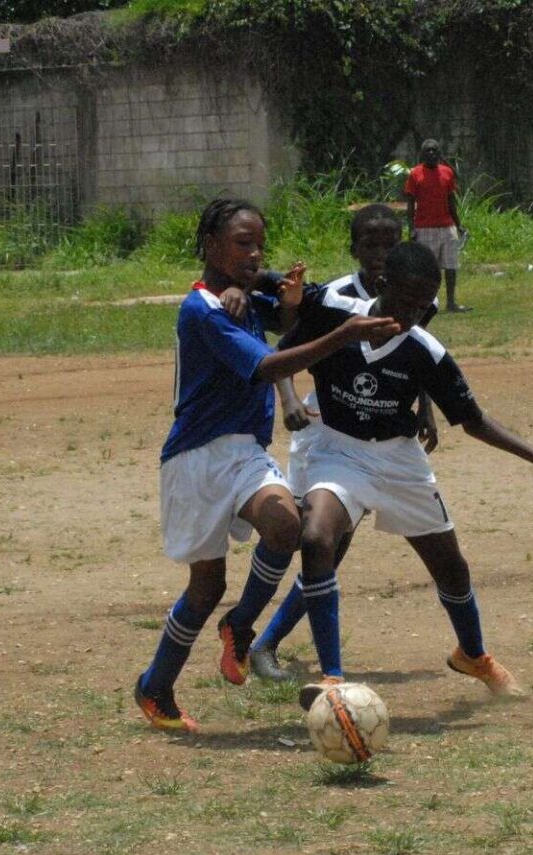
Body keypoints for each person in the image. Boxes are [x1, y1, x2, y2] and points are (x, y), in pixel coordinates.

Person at [132, 197, 400, 733]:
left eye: (259, 244)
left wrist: (269, 287)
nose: (254, 253)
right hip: (194, 458)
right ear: (210, 246)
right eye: (241, 244)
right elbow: (267, 366)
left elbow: (294, 307)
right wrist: (344, 335)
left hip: (245, 452)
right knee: (204, 587)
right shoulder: (201, 311)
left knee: (285, 525)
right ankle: (155, 685)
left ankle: (241, 625)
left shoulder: (245, 296)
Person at [281, 241, 533, 705]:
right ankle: (333, 678)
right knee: (317, 537)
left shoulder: (426, 351)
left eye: (425, 305)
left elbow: (472, 419)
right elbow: (285, 338)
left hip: (398, 461)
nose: (415, 313)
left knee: (451, 568)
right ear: (380, 285)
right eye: (406, 301)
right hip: (337, 453)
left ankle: (473, 655)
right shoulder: (335, 309)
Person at [250, 204, 440, 681]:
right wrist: (289, 398)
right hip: (326, 430)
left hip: (374, 428)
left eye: (389, 243)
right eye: (370, 245)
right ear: (353, 249)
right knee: (319, 541)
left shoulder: (413, 290)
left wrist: (425, 406)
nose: (380, 253)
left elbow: (413, 355)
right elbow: (284, 351)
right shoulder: (333, 296)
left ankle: (264, 641)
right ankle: (260, 639)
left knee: (331, 546)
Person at [403, 139, 469, 313]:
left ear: (439, 153)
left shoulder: (447, 173)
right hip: (424, 228)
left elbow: (451, 201)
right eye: (428, 151)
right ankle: (425, 303)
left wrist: (458, 224)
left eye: (434, 150)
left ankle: (451, 302)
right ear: (422, 154)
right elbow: (410, 205)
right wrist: (411, 228)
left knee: (451, 265)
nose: (431, 153)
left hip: (447, 226)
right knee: (427, 268)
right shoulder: (415, 174)